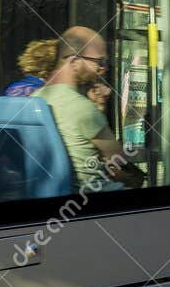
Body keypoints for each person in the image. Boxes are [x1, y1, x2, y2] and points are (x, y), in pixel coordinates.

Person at [38, 27, 143, 192]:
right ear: (74, 62)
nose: (104, 69)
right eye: (99, 62)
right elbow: (119, 159)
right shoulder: (82, 108)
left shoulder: (35, 97)